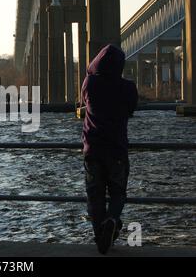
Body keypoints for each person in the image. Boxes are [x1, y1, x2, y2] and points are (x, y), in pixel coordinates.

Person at [81, 44, 138, 255]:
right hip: (117, 149)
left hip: (92, 149)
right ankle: (112, 219)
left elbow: (84, 103)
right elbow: (131, 109)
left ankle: (101, 238)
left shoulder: (90, 83)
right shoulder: (128, 87)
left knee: (94, 196)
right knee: (118, 193)